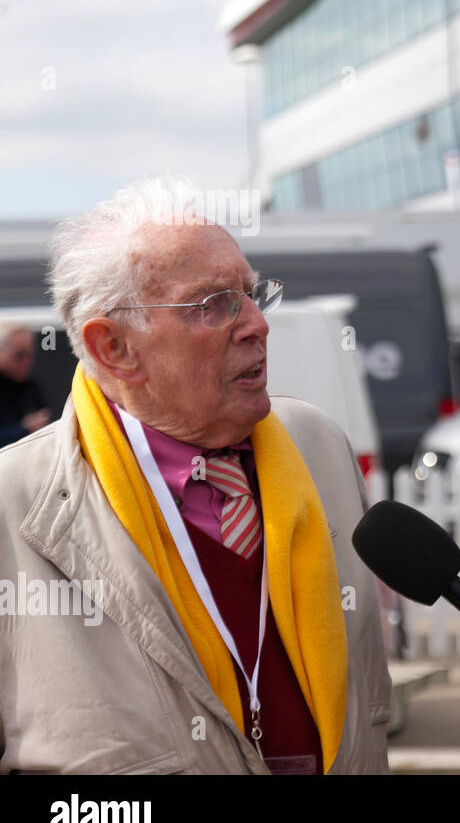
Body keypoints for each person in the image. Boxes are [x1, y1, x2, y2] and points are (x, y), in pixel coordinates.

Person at [0, 179, 391, 773]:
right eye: (213, 304)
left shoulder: (319, 445)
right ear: (113, 349)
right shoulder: (13, 502)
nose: (257, 324)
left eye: (253, 293)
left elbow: (368, 702)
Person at [0, 323, 51, 446]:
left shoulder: (29, 386)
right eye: (19, 356)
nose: (27, 362)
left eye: (29, 355)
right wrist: (24, 429)